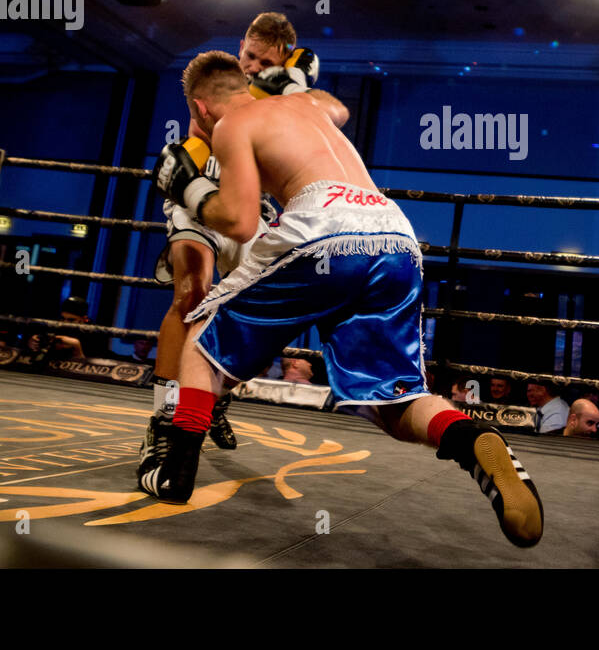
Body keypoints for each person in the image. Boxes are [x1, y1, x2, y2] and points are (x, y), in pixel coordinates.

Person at [143, 51, 543, 547]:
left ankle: (174, 475)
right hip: (395, 235)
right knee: (395, 403)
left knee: (200, 335)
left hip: (323, 226)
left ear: (200, 107)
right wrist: (284, 82)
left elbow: (241, 220)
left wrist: (190, 187)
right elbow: (339, 109)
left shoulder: (231, 123)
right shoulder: (308, 105)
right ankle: (469, 439)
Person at [140, 12, 323, 477]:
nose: (252, 65)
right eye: (249, 54)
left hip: (249, 208)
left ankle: (213, 397)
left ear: (278, 57)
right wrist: (291, 72)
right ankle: (164, 417)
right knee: (191, 295)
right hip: (197, 197)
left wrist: (291, 74)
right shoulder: (221, 82)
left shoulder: (277, 91)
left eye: (264, 60)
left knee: (254, 317)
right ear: (240, 45)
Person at [26, 295, 89, 362]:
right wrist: (32, 343)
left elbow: (95, 367)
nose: (65, 323)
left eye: (71, 320)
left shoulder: (93, 333)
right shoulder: (54, 325)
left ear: (84, 319)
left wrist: (77, 347)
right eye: (63, 318)